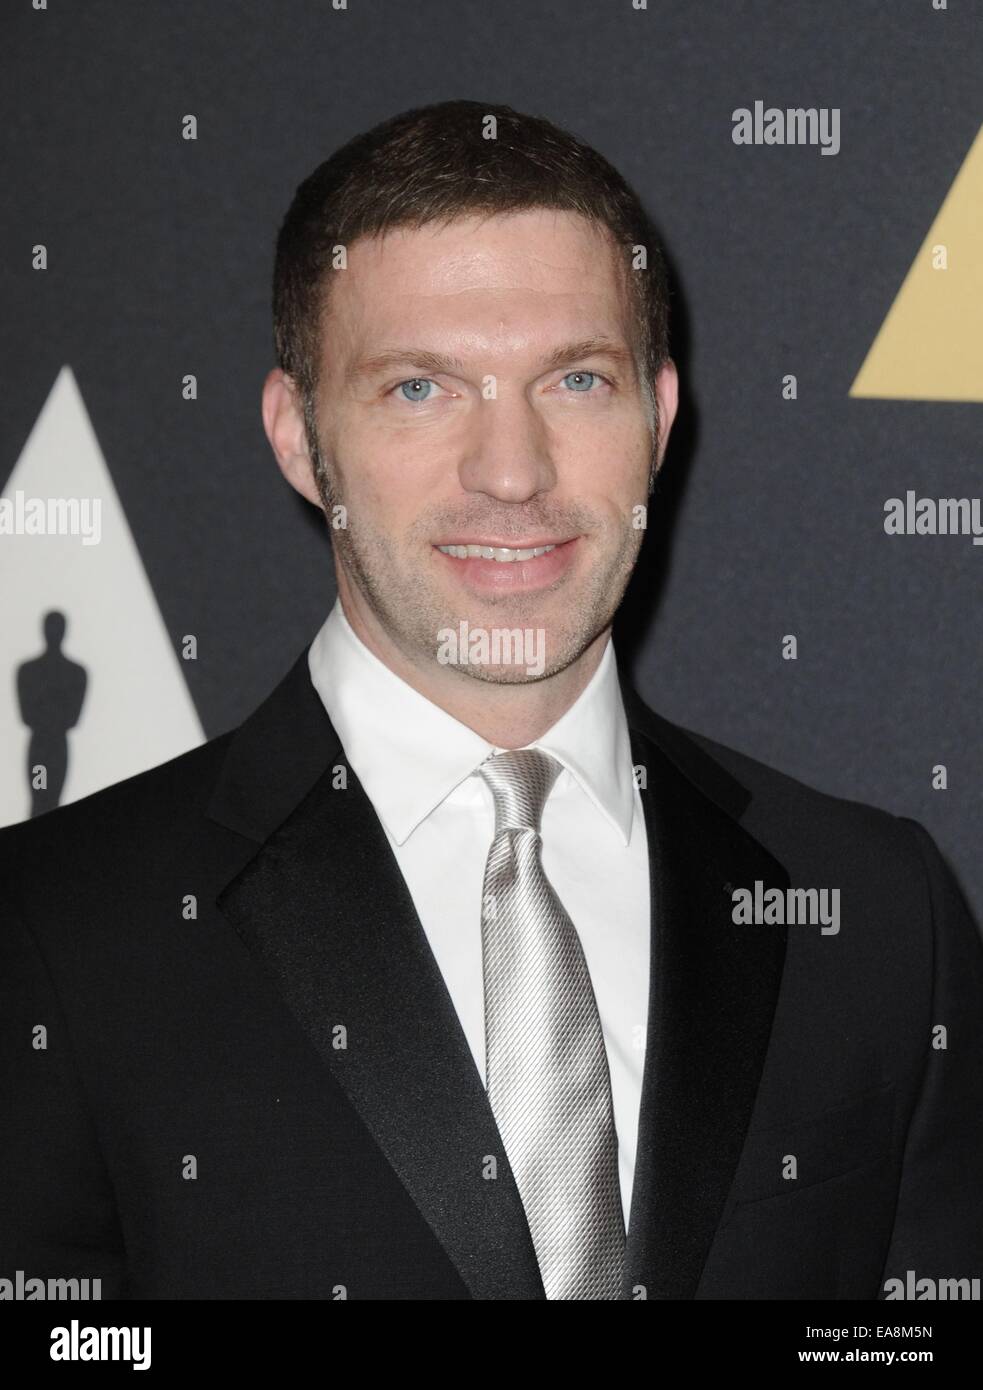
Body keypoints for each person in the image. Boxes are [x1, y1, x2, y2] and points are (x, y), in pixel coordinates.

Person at [2, 100, 982, 1302]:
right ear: (301, 443)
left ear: (658, 418)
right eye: (419, 389)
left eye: (574, 378)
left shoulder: (879, 915)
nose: (510, 472)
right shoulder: (54, 933)